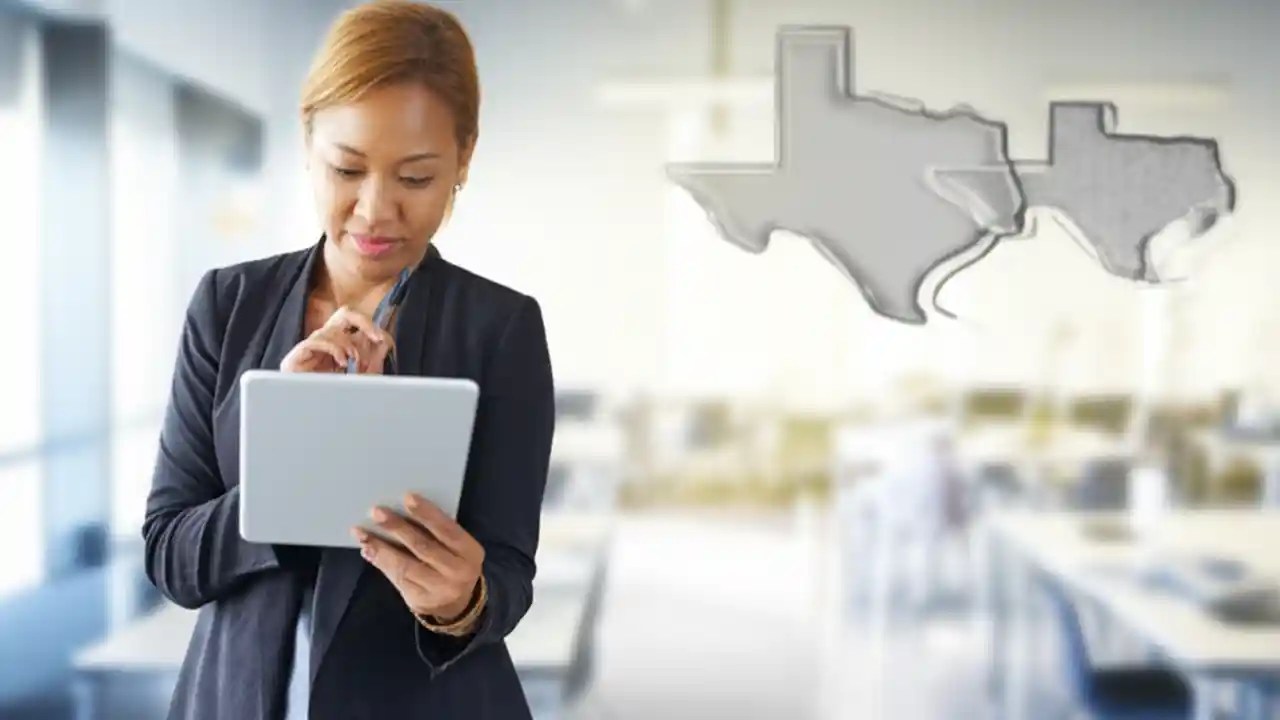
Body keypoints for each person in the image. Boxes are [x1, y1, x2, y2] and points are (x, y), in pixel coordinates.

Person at [140, 2, 555, 718]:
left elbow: (508, 574)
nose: (374, 211)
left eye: (416, 179)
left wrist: (461, 600)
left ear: (464, 159)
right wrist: (289, 460)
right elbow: (170, 554)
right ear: (307, 143)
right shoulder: (226, 304)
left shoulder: (502, 329)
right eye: (347, 168)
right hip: (238, 698)